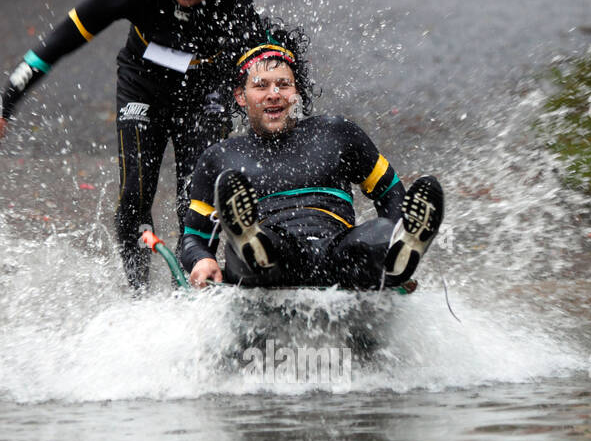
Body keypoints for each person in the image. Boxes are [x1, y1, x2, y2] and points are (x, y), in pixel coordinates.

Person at [0, 0, 262, 288]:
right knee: (134, 199)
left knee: (197, 202)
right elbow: (62, 38)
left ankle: (190, 294)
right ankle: (139, 297)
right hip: (143, 86)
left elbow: (259, 64)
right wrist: (2, 106)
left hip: (205, 93)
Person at [179, 32, 444, 291]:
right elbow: (196, 236)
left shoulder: (337, 132)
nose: (274, 94)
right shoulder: (220, 157)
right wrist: (203, 260)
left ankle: (398, 251)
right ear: (240, 95)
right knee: (255, 245)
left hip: (340, 251)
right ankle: (252, 243)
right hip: (274, 254)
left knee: (376, 234)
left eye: (283, 85)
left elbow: (390, 193)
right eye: (261, 85)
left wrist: (394, 228)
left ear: (297, 92)